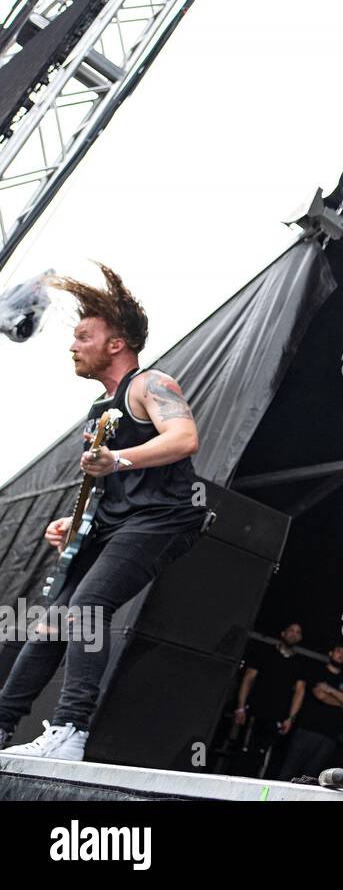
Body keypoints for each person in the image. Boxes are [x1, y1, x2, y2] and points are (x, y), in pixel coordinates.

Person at [0, 264, 206, 760]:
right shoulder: (100, 408)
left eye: (84, 336)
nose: (73, 345)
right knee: (50, 622)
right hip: (118, 520)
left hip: (165, 517)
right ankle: (2, 724)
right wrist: (78, 519)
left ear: (116, 344)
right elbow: (116, 482)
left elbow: (185, 438)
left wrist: (118, 459)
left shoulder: (149, 384)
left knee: (87, 608)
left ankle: (71, 730)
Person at [233, 623, 307, 777]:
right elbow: (248, 679)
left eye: (297, 632)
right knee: (244, 752)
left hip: (277, 717)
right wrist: (240, 707)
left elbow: (300, 691)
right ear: (283, 633)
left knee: (265, 758)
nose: (294, 634)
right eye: (291, 630)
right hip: (255, 711)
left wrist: (291, 718)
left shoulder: (299, 663)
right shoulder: (264, 652)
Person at [280, 643, 343, 781]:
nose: (341, 655)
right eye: (338, 651)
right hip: (307, 729)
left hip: (329, 736)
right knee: (289, 770)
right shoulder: (318, 671)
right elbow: (321, 696)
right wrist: (340, 702)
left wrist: (330, 689)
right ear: (331, 653)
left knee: (311, 777)